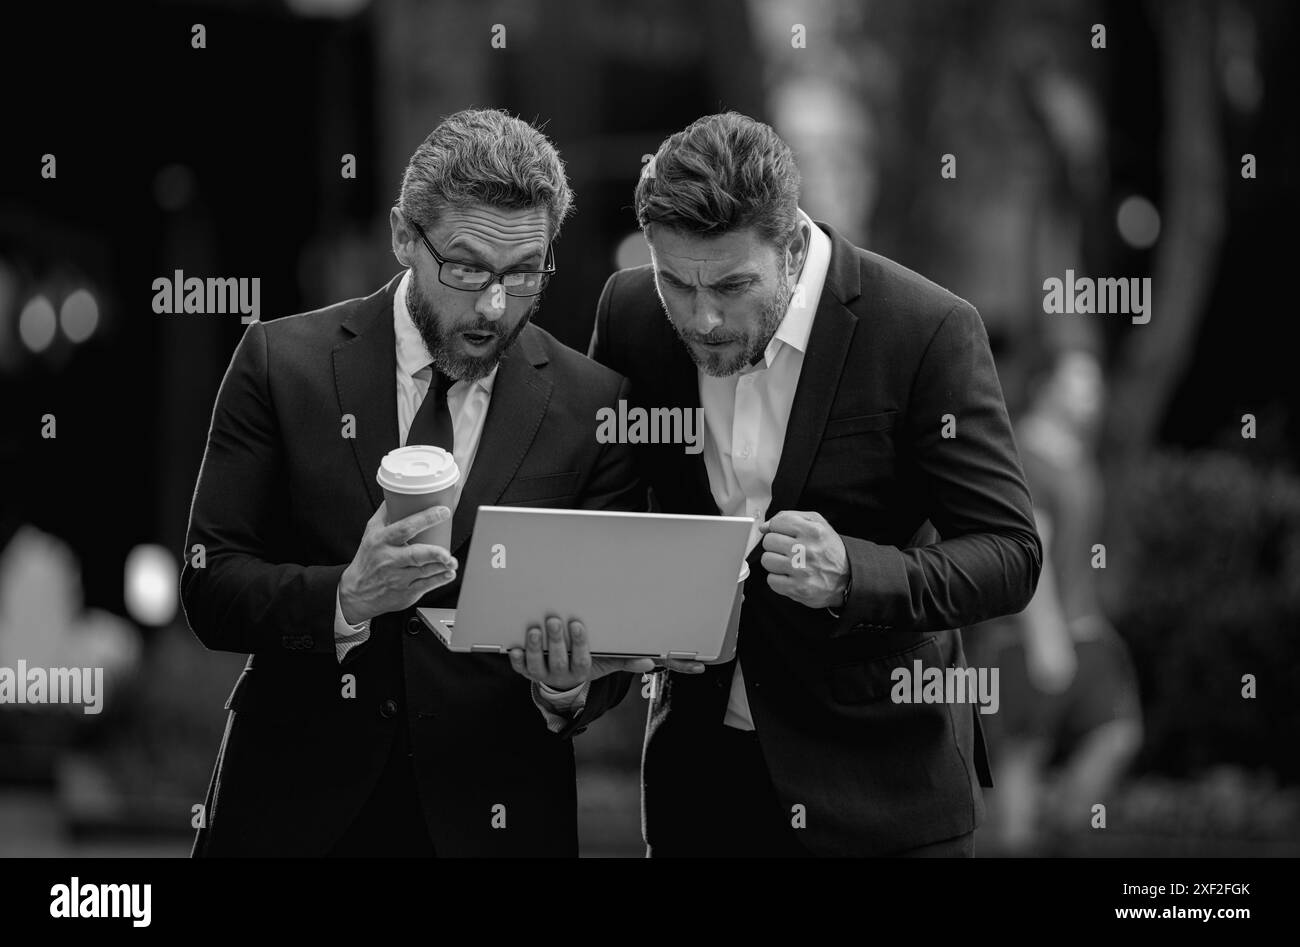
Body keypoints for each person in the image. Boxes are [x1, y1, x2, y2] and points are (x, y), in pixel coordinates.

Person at [181, 109, 660, 857]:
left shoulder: (598, 403)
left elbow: (606, 649)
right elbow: (210, 587)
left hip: (498, 816)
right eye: (467, 268)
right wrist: (346, 594)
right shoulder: (280, 363)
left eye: (525, 271)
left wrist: (567, 685)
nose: (495, 305)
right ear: (405, 236)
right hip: (292, 813)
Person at [589, 112, 1042, 857]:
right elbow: (602, 512)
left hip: (883, 791)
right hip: (698, 791)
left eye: (733, 285)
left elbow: (1011, 552)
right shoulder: (631, 313)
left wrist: (852, 574)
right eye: (677, 280)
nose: (701, 318)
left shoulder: (926, 331)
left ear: (794, 247)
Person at [969, 348, 1143, 855]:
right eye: (1080, 384)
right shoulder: (1027, 456)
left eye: (1095, 384)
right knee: (1023, 758)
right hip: (1029, 636)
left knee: (1118, 732)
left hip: (1081, 630)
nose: (1094, 395)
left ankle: (1059, 833)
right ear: (1047, 388)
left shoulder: (1075, 456)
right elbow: (1032, 552)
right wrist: (1045, 638)